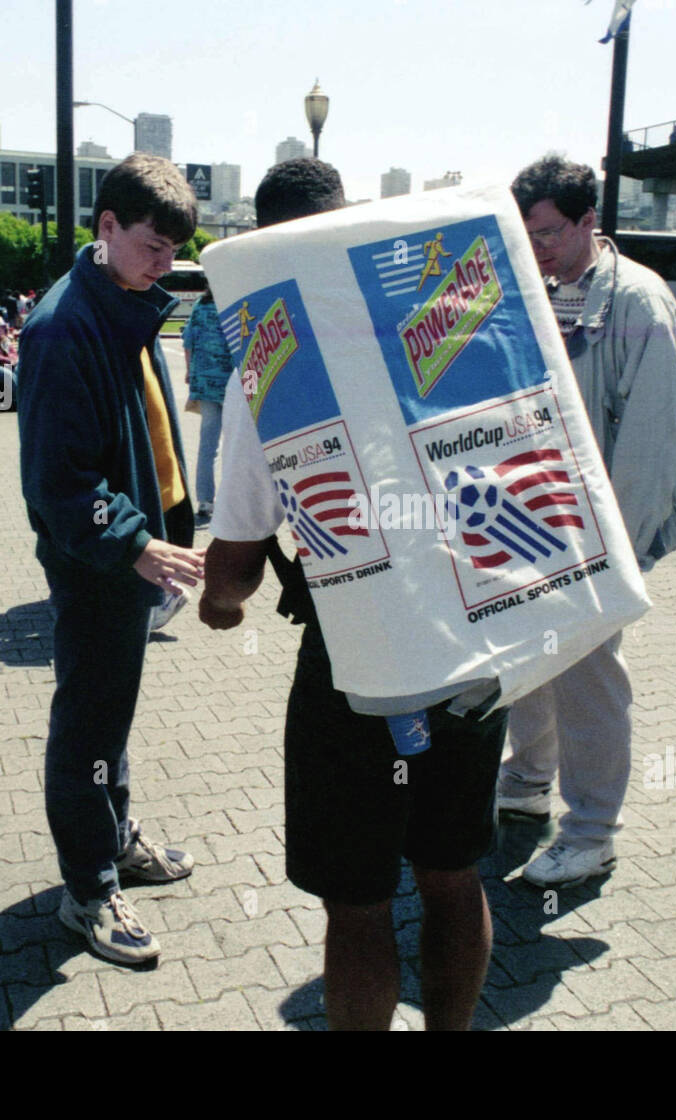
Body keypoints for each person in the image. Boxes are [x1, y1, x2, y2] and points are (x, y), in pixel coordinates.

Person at [199, 158, 508, 1031]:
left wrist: (219, 604)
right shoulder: (451, 320)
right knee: (453, 874)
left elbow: (237, 562)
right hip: (476, 639)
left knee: (360, 900)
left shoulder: (271, 355)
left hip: (358, 657)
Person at [496, 156, 676, 887]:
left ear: (590, 220)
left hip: (598, 530)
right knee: (531, 658)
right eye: (525, 235)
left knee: (588, 678)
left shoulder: (639, 302)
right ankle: (527, 781)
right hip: (536, 519)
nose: (537, 248)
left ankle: (592, 833)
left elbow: (654, 440)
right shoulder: (536, 288)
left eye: (548, 233)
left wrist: (617, 556)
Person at [17, 154, 204, 966]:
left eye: (174, 251)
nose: (166, 265)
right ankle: (90, 888)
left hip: (127, 556)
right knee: (90, 722)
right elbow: (58, 482)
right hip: (100, 562)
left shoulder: (119, 300)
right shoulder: (63, 327)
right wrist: (134, 541)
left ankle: (114, 840)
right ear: (107, 227)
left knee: (108, 713)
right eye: (154, 246)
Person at [181, 283, 231, 529]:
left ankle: (205, 501)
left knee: (207, 445)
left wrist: (190, 372)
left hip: (205, 381)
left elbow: (188, 341)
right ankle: (233, 500)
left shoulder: (200, 306)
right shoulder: (235, 304)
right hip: (234, 383)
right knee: (235, 444)